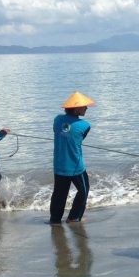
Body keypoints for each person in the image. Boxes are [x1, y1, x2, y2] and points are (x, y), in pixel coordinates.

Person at [50, 91, 94, 224]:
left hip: (59, 165)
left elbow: (68, 132)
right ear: (76, 109)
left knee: (59, 194)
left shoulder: (57, 120)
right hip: (76, 166)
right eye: (84, 106)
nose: (86, 108)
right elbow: (80, 138)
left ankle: (55, 219)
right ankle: (74, 218)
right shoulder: (85, 125)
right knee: (84, 190)